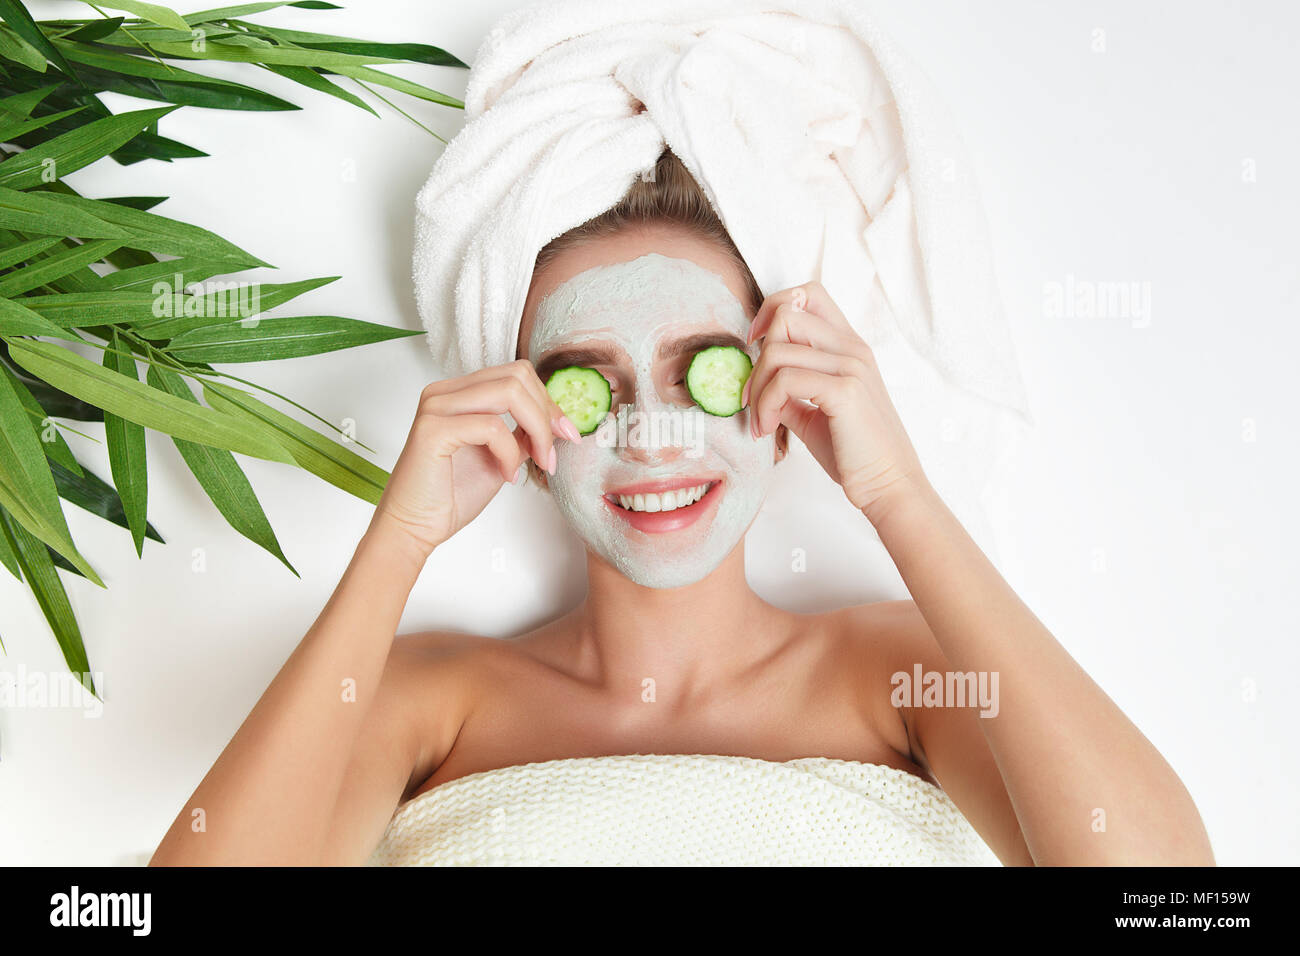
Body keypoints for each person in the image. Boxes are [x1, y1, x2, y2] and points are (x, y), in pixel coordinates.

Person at [149, 150, 1214, 866]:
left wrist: (898, 494)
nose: (654, 434)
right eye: (589, 382)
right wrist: (402, 535)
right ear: (523, 424)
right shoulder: (430, 695)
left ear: (781, 395)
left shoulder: (903, 671)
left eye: (700, 368)